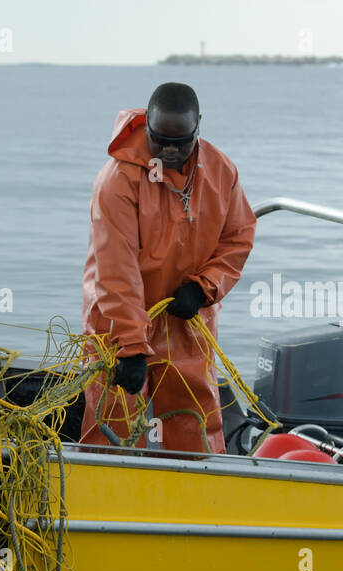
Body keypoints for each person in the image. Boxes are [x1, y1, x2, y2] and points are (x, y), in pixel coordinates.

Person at [80, 82, 256, 453]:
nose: (171, 150)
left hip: (186, 320)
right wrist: (130, 348)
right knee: (113, 429)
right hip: (120, 322)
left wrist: (204, 286)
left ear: (198, 127)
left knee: (194, 424)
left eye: (182, 141)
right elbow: (116, 270)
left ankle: (199, 500)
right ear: (146, 126)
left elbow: (238, 236)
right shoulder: (117, 182)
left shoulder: (222, 171)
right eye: (160, 140)